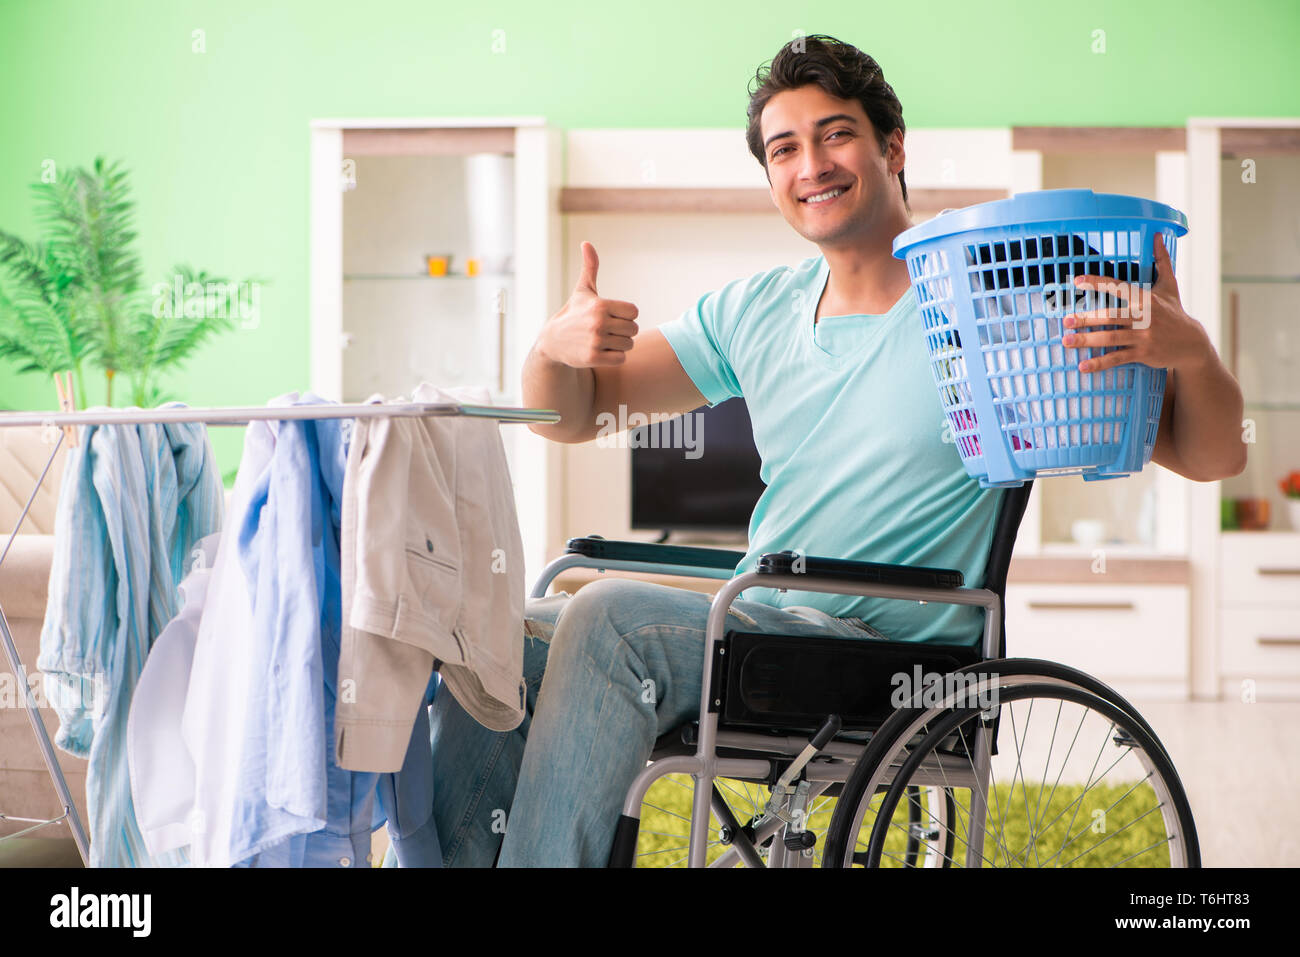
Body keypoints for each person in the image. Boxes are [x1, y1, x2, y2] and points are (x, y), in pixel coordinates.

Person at [420, 34, 1246, 868]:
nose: (811, 163)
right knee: (486, 637)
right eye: (785, 148)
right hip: (766, 619)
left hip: (890, 656)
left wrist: (1190, 352)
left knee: (605, 616)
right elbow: (575, 416)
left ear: (892, 147)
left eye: (835, 133)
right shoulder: (755, 310)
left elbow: (1208, 454)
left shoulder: (995, 298)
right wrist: (553, 350)